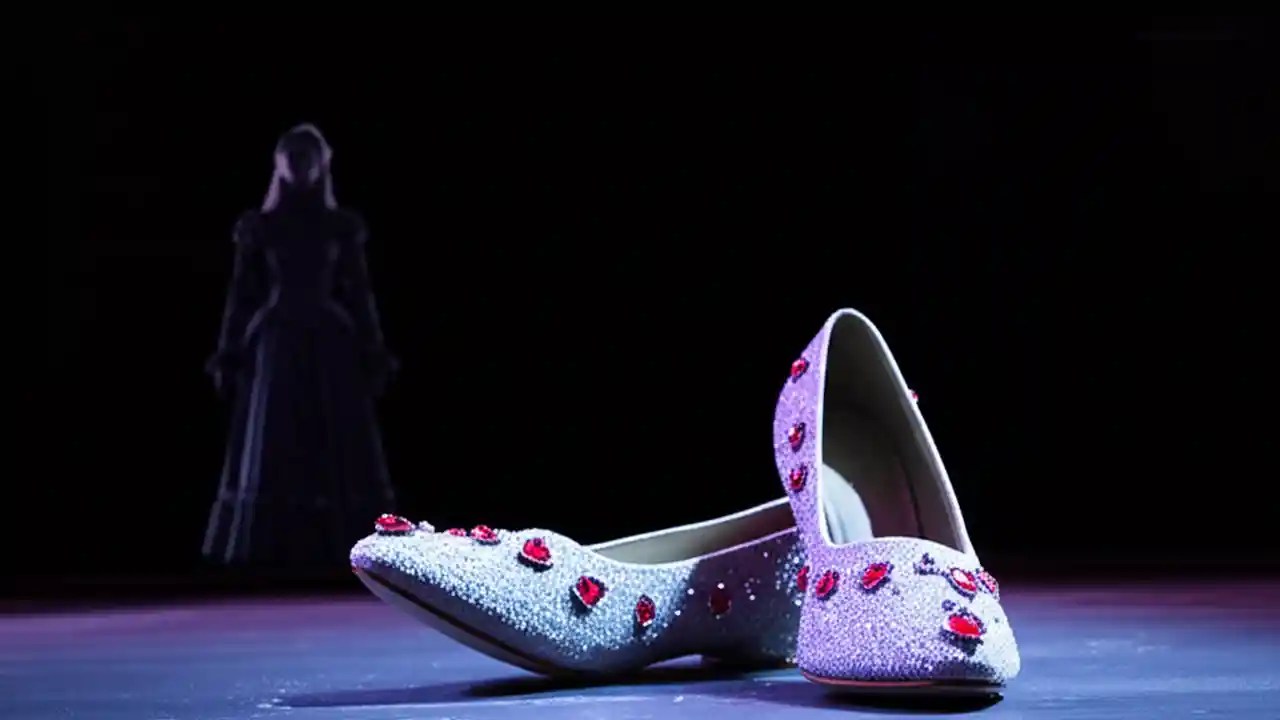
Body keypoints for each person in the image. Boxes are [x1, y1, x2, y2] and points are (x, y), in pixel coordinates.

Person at [203, 123, 397, 568]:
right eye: (294, 158)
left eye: (308, 158)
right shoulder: (261, 226)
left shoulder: (339, 226)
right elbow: (241, 293)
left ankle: (339, 548)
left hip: (328, 340)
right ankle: (272, 552)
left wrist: (373, 347)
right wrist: (228, 350)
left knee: (331, 435)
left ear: (320, 164)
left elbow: (360, 291)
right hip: (277, 340)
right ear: (282, 164)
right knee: (277, 438)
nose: (301, 166)